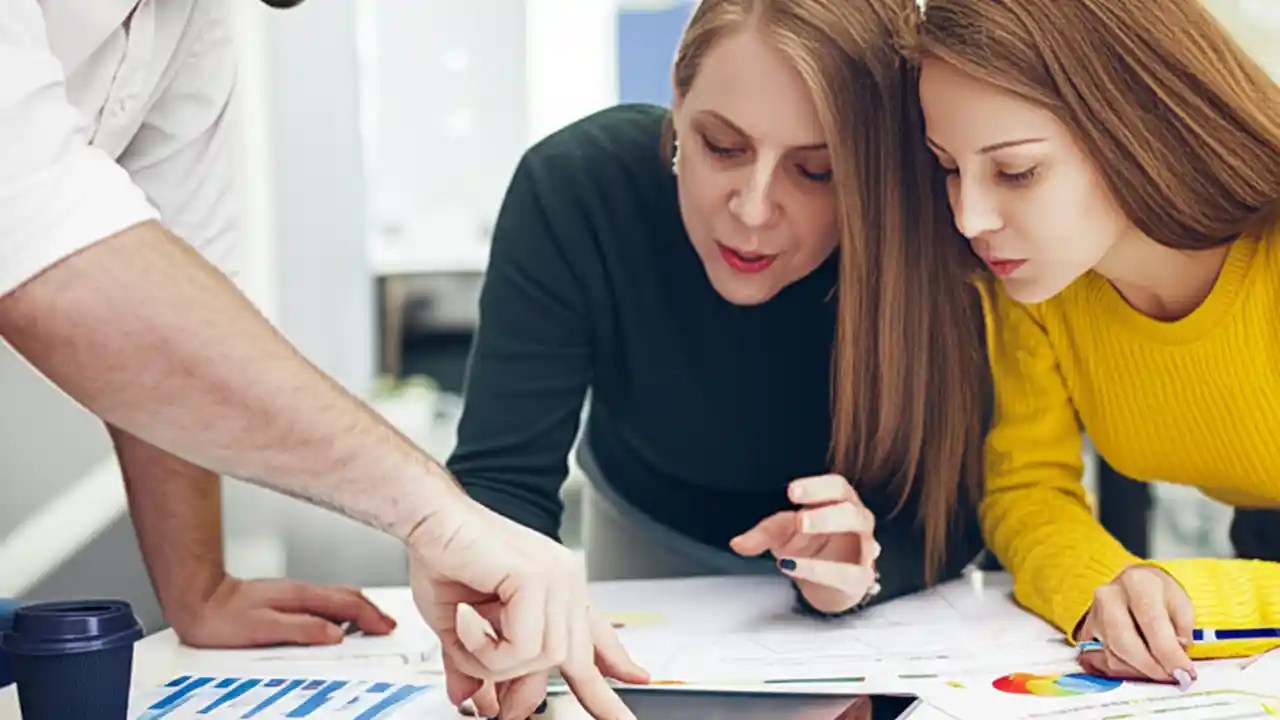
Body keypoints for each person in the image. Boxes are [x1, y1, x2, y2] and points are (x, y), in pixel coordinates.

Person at [0, 1, 643, 717]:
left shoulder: (191, 18)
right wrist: (437, 516)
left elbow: (163, 290)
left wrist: (198, 589)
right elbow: (53, 251)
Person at [448, 0, 989, 706]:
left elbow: (964, 508)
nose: (754, 209)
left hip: (885, 575)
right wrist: (499, 613)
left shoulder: (945, 227)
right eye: (721, 147)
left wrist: (869, 568)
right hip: (645, 532)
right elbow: (501, 482)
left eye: (816, 170)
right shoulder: (577, 186)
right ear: (677, 95)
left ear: (875, 166)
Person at [908, 0, 1280, 688]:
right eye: (949, 168)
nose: (970, 218)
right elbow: (1026, 488)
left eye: (1016, 171)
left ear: (1137, 128)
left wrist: (1192, 600)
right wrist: (1106, 592)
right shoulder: (1034, 283)